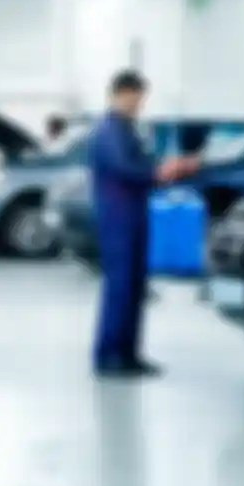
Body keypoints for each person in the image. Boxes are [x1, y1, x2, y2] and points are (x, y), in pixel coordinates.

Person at [88, 71, 197, 379]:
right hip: (118, 219)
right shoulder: (109, 131)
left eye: (141, 100)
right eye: (136, 99)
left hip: (133, 215)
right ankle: (110, 355)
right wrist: (162, 172)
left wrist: (164, 171)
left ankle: (128, 353)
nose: (139, 105)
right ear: (120, 94)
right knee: (121, 287)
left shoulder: (126, 129)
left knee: (135, 287)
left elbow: (141, 167)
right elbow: (127, 168)